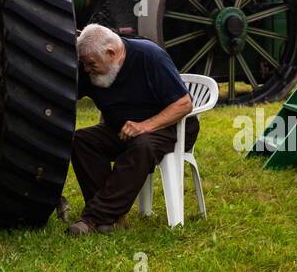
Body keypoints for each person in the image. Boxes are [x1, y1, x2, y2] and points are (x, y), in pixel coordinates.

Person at [66, 23, 198, 235]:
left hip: (169, 126)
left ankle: (94, 218)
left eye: (91, 63)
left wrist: (144, 126)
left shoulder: (149, 56)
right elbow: (66, 94)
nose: (87, 70)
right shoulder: (89, 66)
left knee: (141, 145)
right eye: (84, 64)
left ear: (111, 53)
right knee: (82, 140)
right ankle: (112, 218)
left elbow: (184, 104)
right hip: (121, 128)